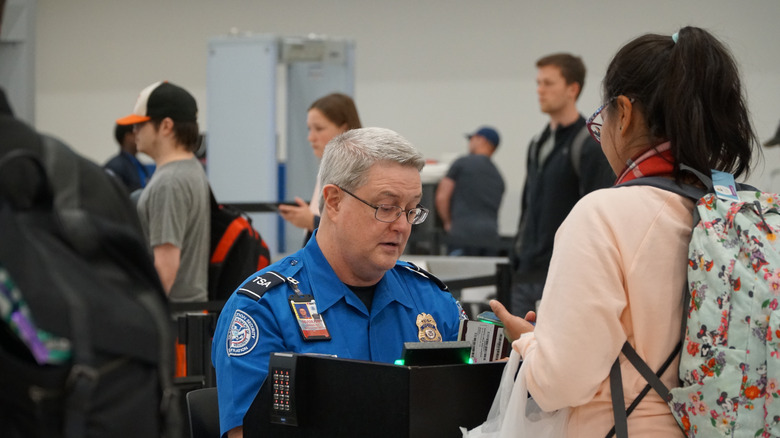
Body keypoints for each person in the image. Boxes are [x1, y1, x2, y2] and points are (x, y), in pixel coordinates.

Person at [487, 26, 757, 437]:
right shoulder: (735, 211)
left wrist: (529, 341)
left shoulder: (604, 215)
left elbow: (561, 381)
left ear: (625, 113)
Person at [212, 127, 466, 438]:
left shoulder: (431, 301)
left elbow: (475, 415)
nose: (401, 226)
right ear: (333, 202)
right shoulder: (263, 309)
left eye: (411, 211)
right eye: (386, 208)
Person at [511, 53, 615, 316]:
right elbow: (527, 206)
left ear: (573, 89)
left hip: (563, 274)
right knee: (520, 352)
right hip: (526, 275)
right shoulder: (537, 144)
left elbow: (598, 214)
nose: (540, 90)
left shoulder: (589, 144)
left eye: (548, 83)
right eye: (538, 83)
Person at [116, 81, 210, 302]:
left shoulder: (170, 182)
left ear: (166, 126)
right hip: (187, 318)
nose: (134, 131)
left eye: (141, 124)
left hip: (173, 321)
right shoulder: (190, 169)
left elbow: (165, 266)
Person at [278, 93, 362, 243]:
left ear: (344, 129)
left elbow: (357, 232)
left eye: (319, 128)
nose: (311, 137)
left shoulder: (357, 173)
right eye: (310, 129)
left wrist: (311, 221)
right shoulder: (328, 168)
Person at [435, 125, 505, 256]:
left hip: (462, 235)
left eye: (472, 138)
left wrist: (448, 222)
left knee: (458, 275)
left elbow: (442, 196)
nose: (470, 143)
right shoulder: (498, 176)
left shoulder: (462, 163)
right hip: (490, 237)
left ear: (482, 140)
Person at [103, 122, 154, 193]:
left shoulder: (138, 164)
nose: (141, 137)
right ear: (128, 137)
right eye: (136, 133)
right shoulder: (115, 166)